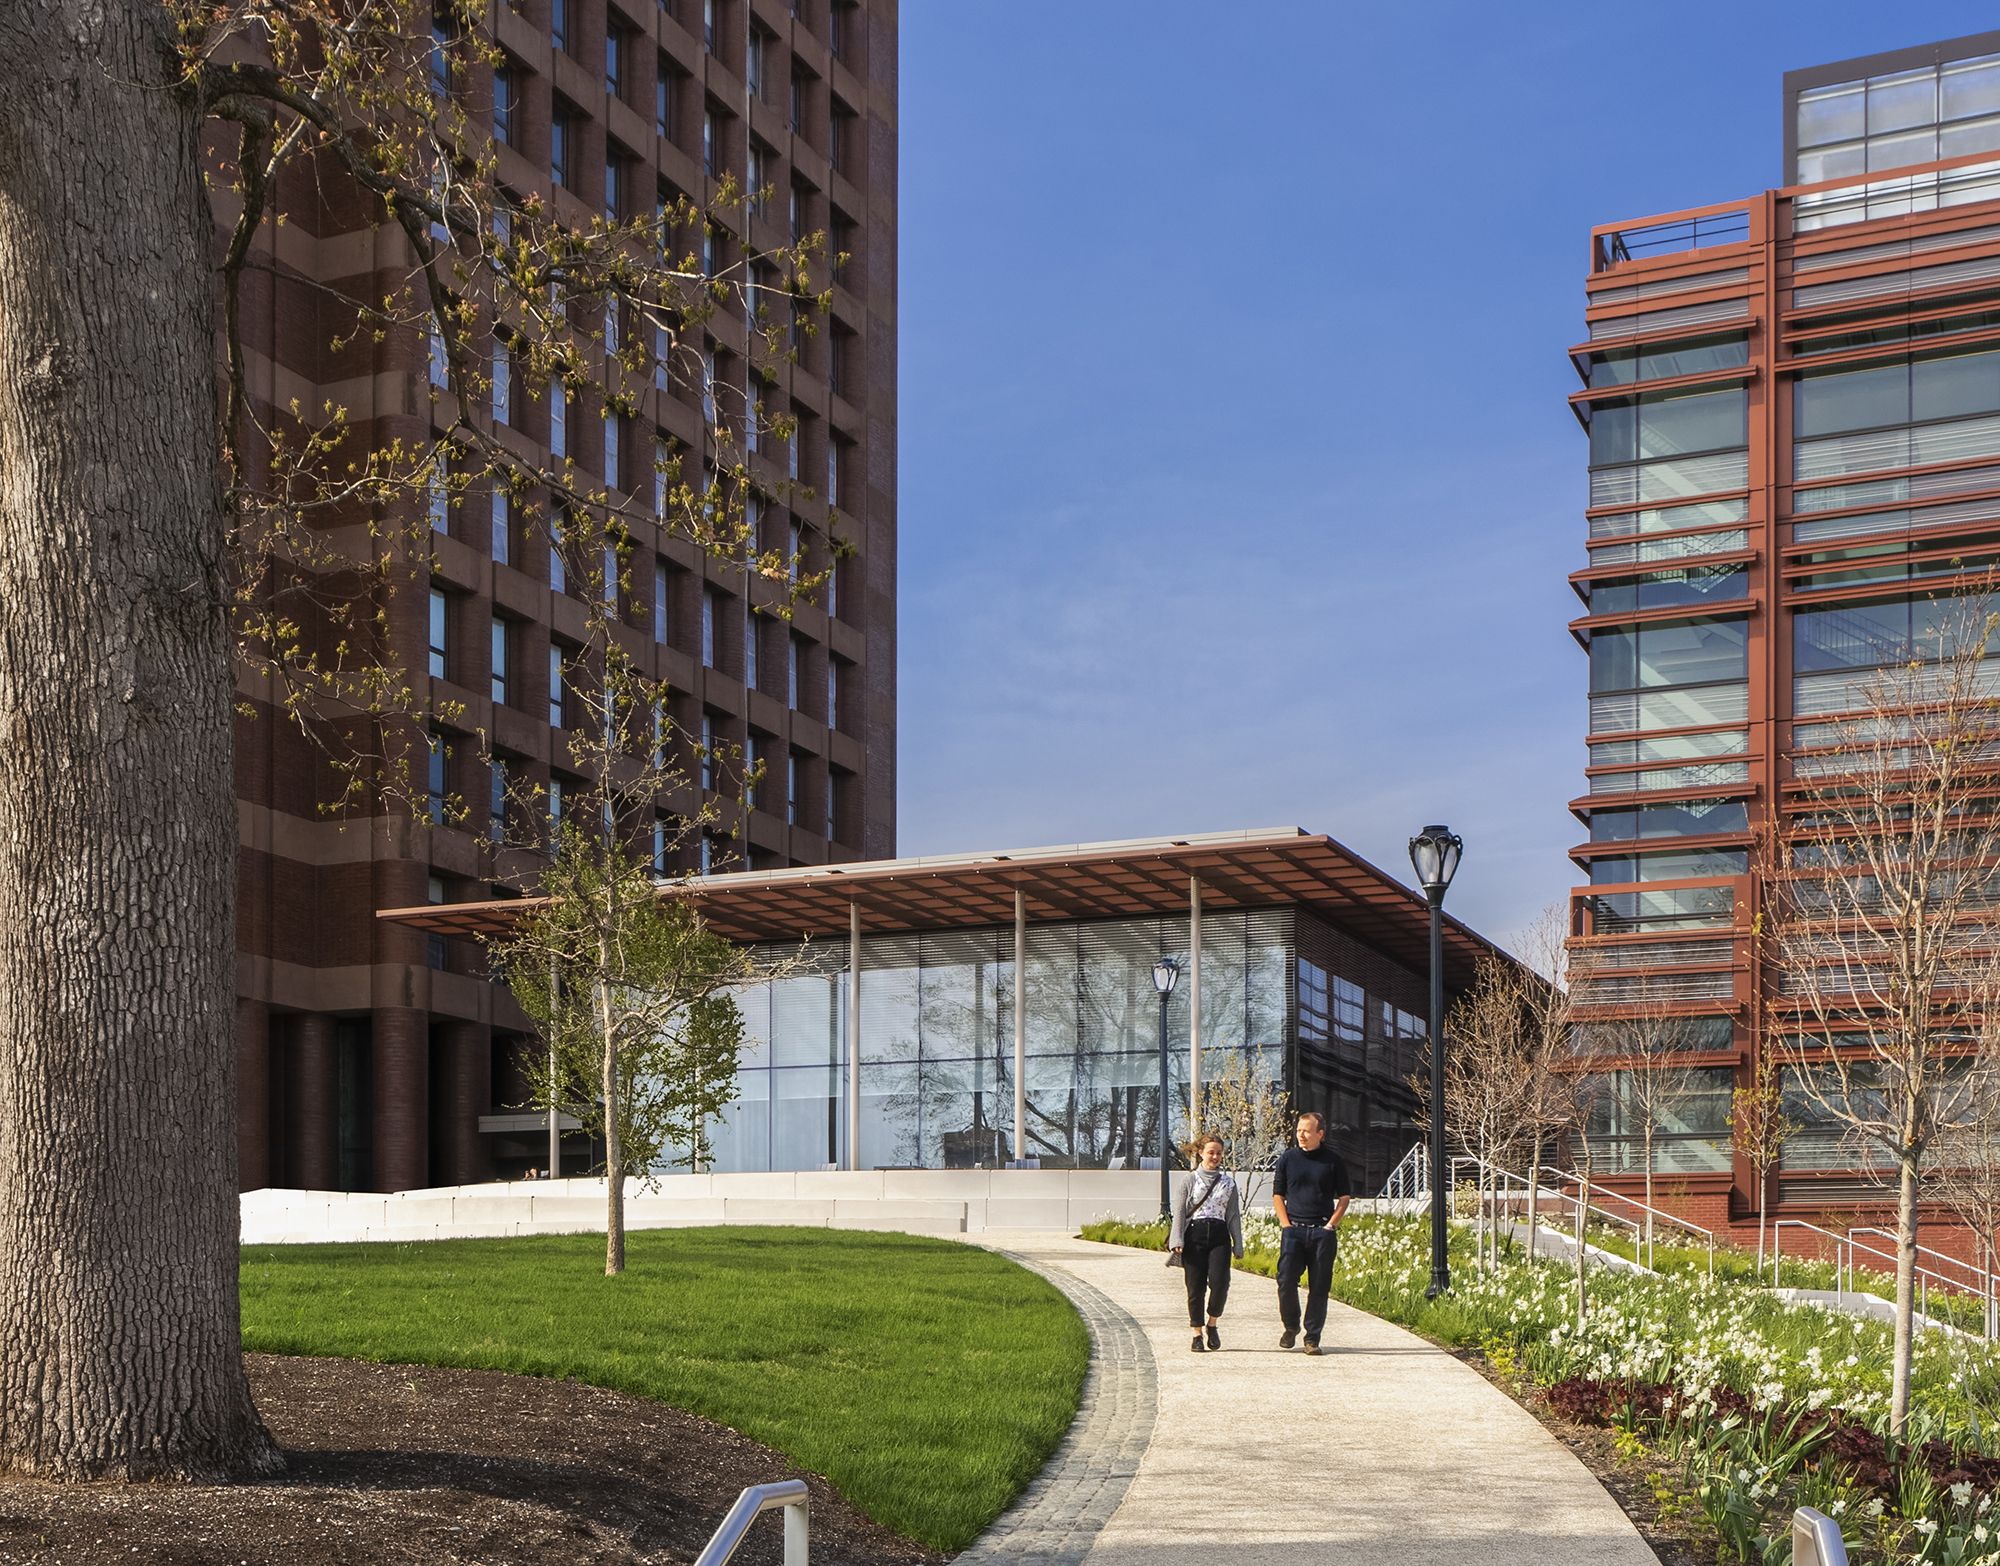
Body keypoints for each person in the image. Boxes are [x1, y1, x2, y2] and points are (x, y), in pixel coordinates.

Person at [1271, 1111, 1352, 1355]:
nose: (1301, 1135)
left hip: (1321, 1233)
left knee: (1319, 1287)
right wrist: (1286, 1224)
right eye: (1298, 1131)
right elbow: (1278, 1195)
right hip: (1293, 1231)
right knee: (1285, 1281)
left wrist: (1331, 1225)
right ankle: (1291, 1326)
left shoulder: (1333, 1161)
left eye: (1306, 1131)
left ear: (1320, 1133)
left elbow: (1345, 1196)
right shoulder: (1288, 1159)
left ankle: (1312, 1338)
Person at [1168, 1134, 1242, 1352]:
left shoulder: (1229, 1183)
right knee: (1195, 1286)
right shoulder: (1189, 1180)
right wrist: (1177, 1239)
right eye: (1211, 1152)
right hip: (1194, 1236)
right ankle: (1197, 1333)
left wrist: (1238, 1243)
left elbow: (1233, 1215)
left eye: (1219, 1153)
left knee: (1220, 1283)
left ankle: (1213, 1323)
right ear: (1200, 1153)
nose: (1215, 1156)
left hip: (1219, 1235)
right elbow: (1180, 1211)